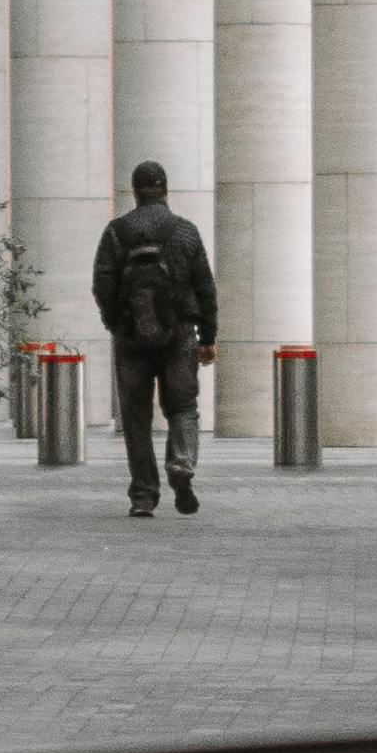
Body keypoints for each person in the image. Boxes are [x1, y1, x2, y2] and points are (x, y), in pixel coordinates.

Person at [92, 160, 218, 517]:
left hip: (130, 337)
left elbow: (102, 284)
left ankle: (144, 496)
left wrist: (116, 322)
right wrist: (208, 336)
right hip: (178, 333)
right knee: (182, 406)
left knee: (135, 417)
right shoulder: (185, 232)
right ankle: (181, 465)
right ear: (165, 190)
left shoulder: (116, 233)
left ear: (135, 191)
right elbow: (205, 288)